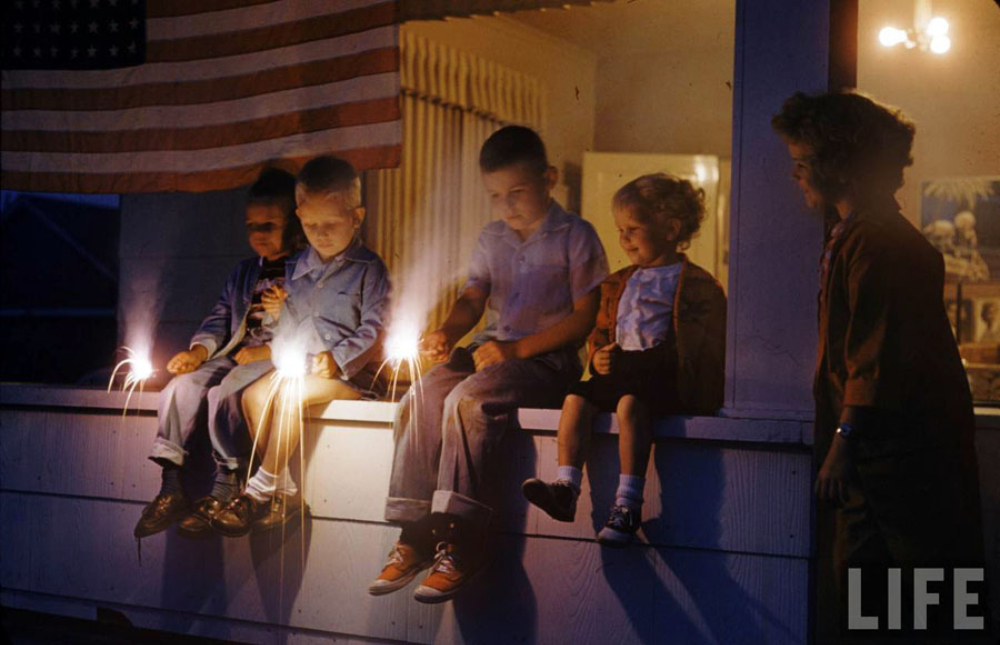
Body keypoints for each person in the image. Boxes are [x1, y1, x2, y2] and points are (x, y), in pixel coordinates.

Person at [772, 90, 987, 641]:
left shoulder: (878, 244)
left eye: (801, 163)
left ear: (836, 167)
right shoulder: (861, 236)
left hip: (899, 472)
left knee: (909, 609)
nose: (795, 175)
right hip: (889, 468)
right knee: (896, 608)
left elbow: (875, 357)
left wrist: (843, 444)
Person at [370, 126, 609, 603]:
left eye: (517, 193)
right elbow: (472, 297)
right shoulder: (492, 237)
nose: (507, 206)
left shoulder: (575, 236)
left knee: (469, 399)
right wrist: (447, 332)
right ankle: (417, 534)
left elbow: (584, 319)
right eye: (496, 196)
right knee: (424, 393)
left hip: (543, 360)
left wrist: (518, 351)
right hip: (490, 352)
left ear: (549, 179)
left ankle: (464, 538)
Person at [521, 173, 726, 547]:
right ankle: (566, 486)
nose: (624, 238)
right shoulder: (618, 282)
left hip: (659, 375)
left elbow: (702, 346)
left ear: (671, 228)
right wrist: (599, 357)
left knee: (631, 406)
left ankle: (628, 505)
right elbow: (601, 332)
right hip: (621, 368)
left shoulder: (694, 283)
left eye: (633, 228)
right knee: (575, 399)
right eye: (620, 230)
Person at [210, 155, 391, 537]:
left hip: (350, 379)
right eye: (310, 225)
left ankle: (259, 488)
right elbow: (290, 331)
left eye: (330, 224)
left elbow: (374, 327)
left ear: (356, 217)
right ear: (299, 218)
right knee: (253, 398)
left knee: (287, 394)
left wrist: (337, 358)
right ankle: (286, 491)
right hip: (303, 371)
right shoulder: (296, 270)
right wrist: (280, 314)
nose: (320, 234)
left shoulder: (369, 268)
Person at [133, 168, 304, 539]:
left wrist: (269, 351)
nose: (257, 235)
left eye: (269, 226)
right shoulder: (243, 273)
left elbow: (313, 327)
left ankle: (227, 483)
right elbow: (220, 319)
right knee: (181, 387)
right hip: (235, 354)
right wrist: (197, 353)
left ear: (294, 224)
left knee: (227, 389)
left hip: (278, 359)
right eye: (251, 226)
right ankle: (172, 483)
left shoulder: (307, 271)